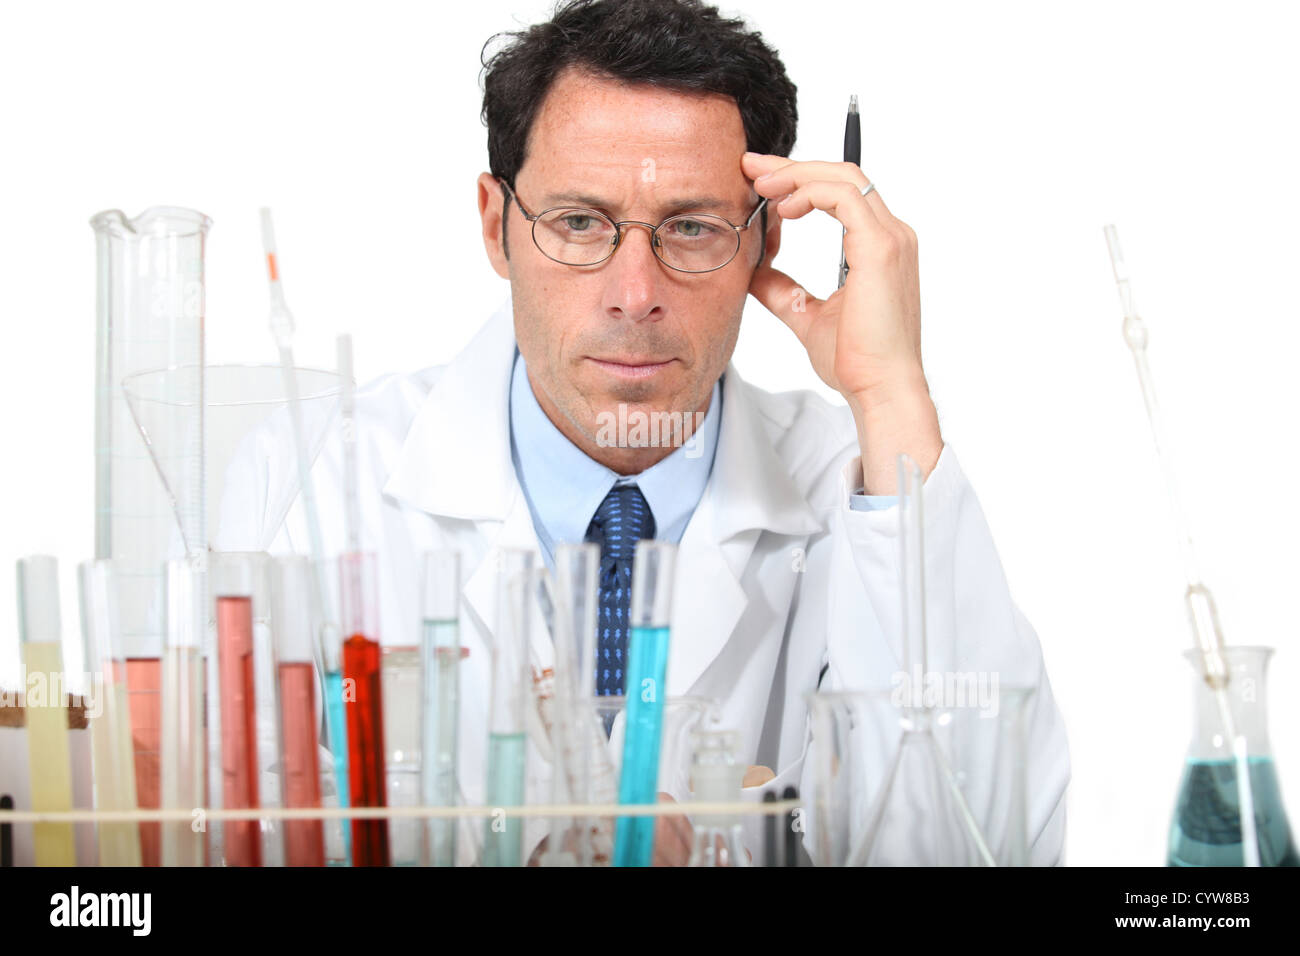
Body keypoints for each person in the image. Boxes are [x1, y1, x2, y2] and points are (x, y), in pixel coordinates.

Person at [222, 0, 1069, 865]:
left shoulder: (857, 488)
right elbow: (224, 830)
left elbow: (987, 839)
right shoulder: (314, 479)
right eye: (580, 222)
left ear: (764, 240)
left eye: (692, 228)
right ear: (495, 225)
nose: (635, 292)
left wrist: (890, 393)